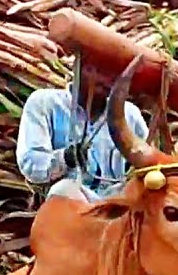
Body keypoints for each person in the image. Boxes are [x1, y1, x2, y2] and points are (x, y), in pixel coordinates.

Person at [16, 72, 150, 203]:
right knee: (63, 190)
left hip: (116, 203)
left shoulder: (130, 114)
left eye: (113, 71)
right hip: (69, 203)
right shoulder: (44, 102)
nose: (105, 78)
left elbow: (150, 158)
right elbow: (30, 162)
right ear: (78, 65)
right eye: (95, 68)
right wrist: (65, 158)